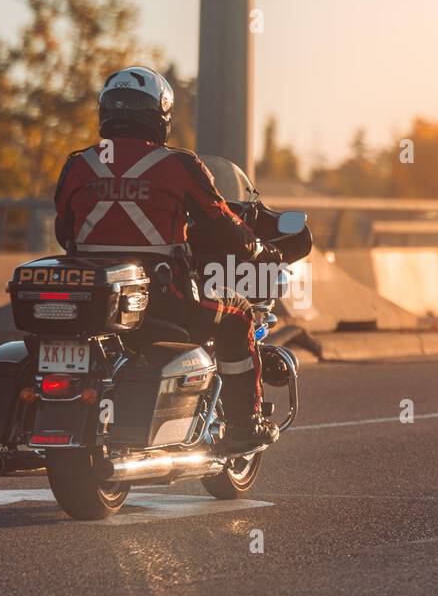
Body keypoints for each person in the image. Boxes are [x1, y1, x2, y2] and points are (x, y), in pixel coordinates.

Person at [52, 66, 280, 453]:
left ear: (105, 111)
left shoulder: (78, 164)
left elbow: (64, 230)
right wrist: (258, 249)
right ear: (160, 115)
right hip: (164, 300)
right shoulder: (178, 165)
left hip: (92, 301)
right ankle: (244, 425)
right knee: (239, 313)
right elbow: (221, 219)